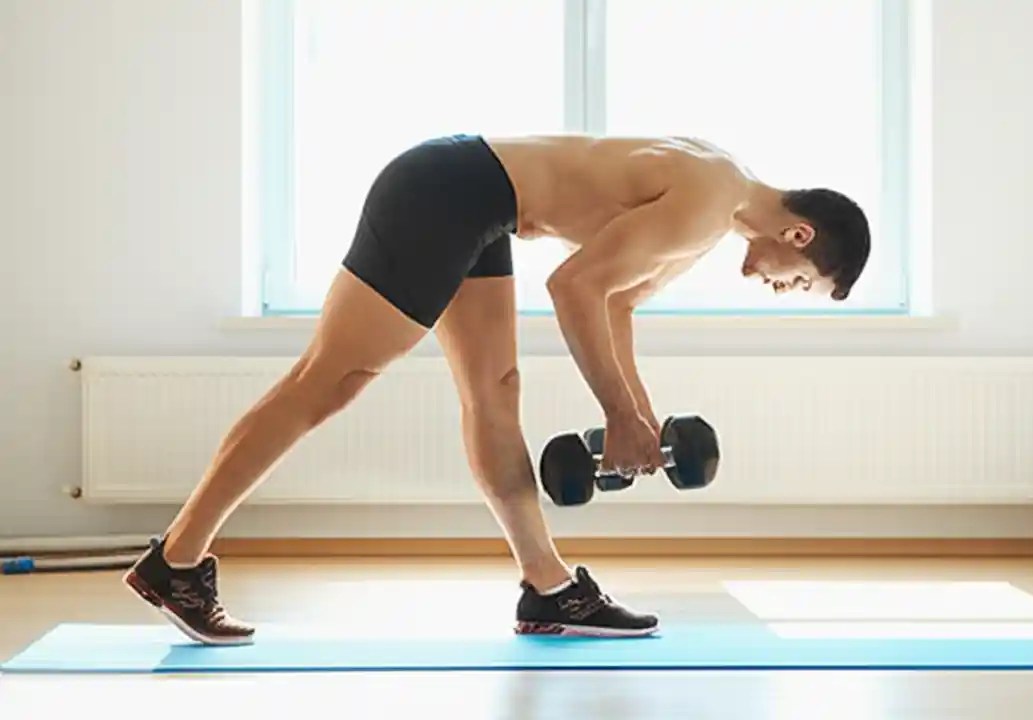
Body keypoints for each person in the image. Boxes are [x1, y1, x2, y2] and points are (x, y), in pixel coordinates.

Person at [123, 134, 872, 645]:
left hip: (480, 208)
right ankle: (177, 562)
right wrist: (617, 413)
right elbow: (575, 287)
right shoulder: (707, 205)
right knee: (329, 382)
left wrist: (638, 420)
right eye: (798, 282)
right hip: (447, 193)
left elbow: (618, 304)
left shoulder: (716, 198)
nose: (781, 287)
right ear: (800, 237)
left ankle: (547, 588)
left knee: (496, 390)